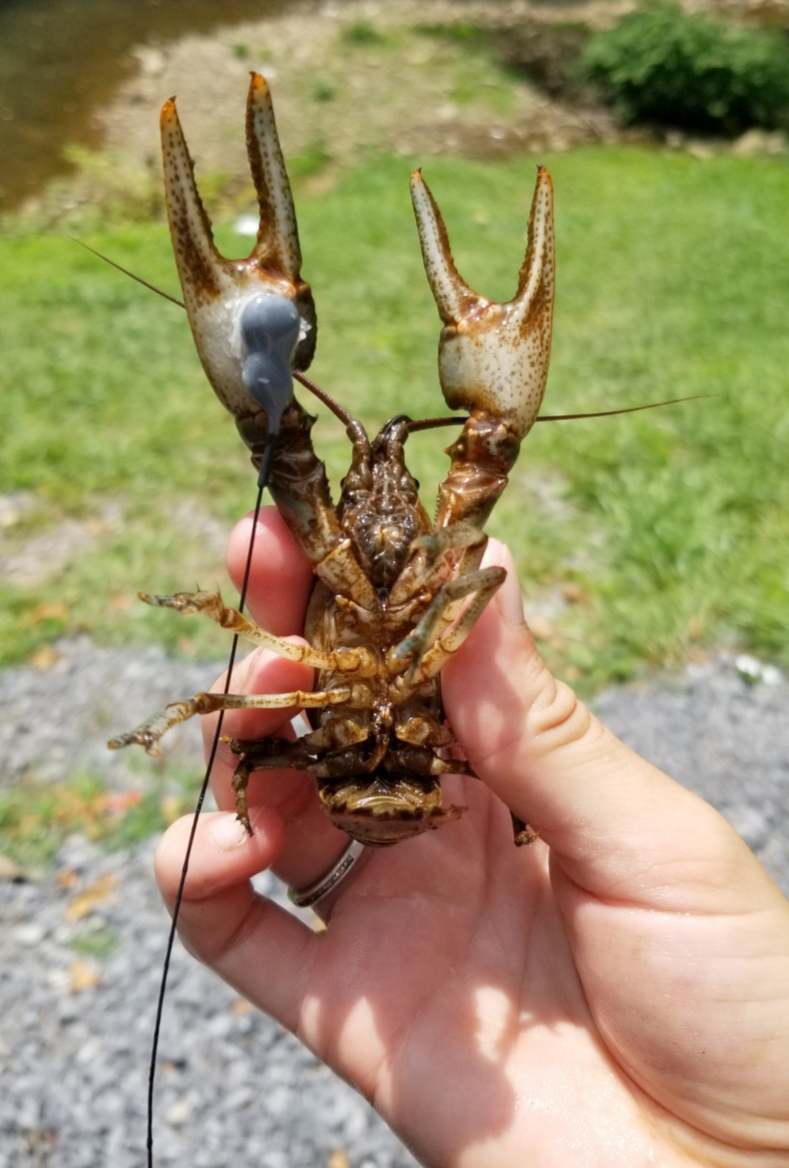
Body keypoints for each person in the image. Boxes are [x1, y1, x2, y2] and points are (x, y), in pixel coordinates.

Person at [155, 509, 789, 1168]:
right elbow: (467, 582)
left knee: (250, 722)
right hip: (399, 775)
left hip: (359, 771)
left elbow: (466, 586)